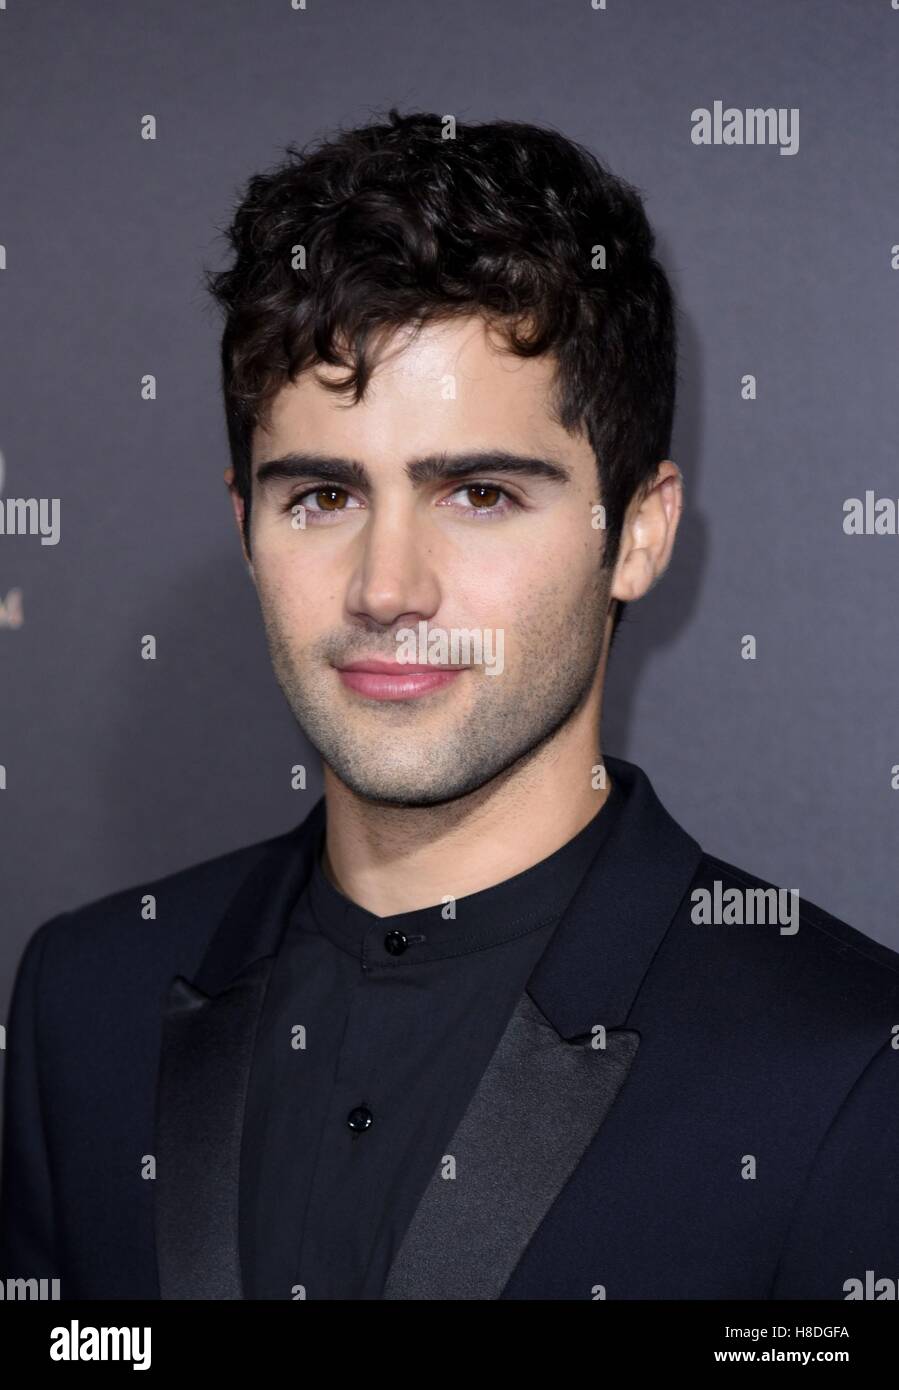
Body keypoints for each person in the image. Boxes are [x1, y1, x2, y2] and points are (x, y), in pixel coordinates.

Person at [3, 109, 898, 1301]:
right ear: (245, 527)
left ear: (636, 531)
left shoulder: (841, 1065)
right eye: (320, 496)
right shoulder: (87, 998)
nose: (386, 589)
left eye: (477, 492)